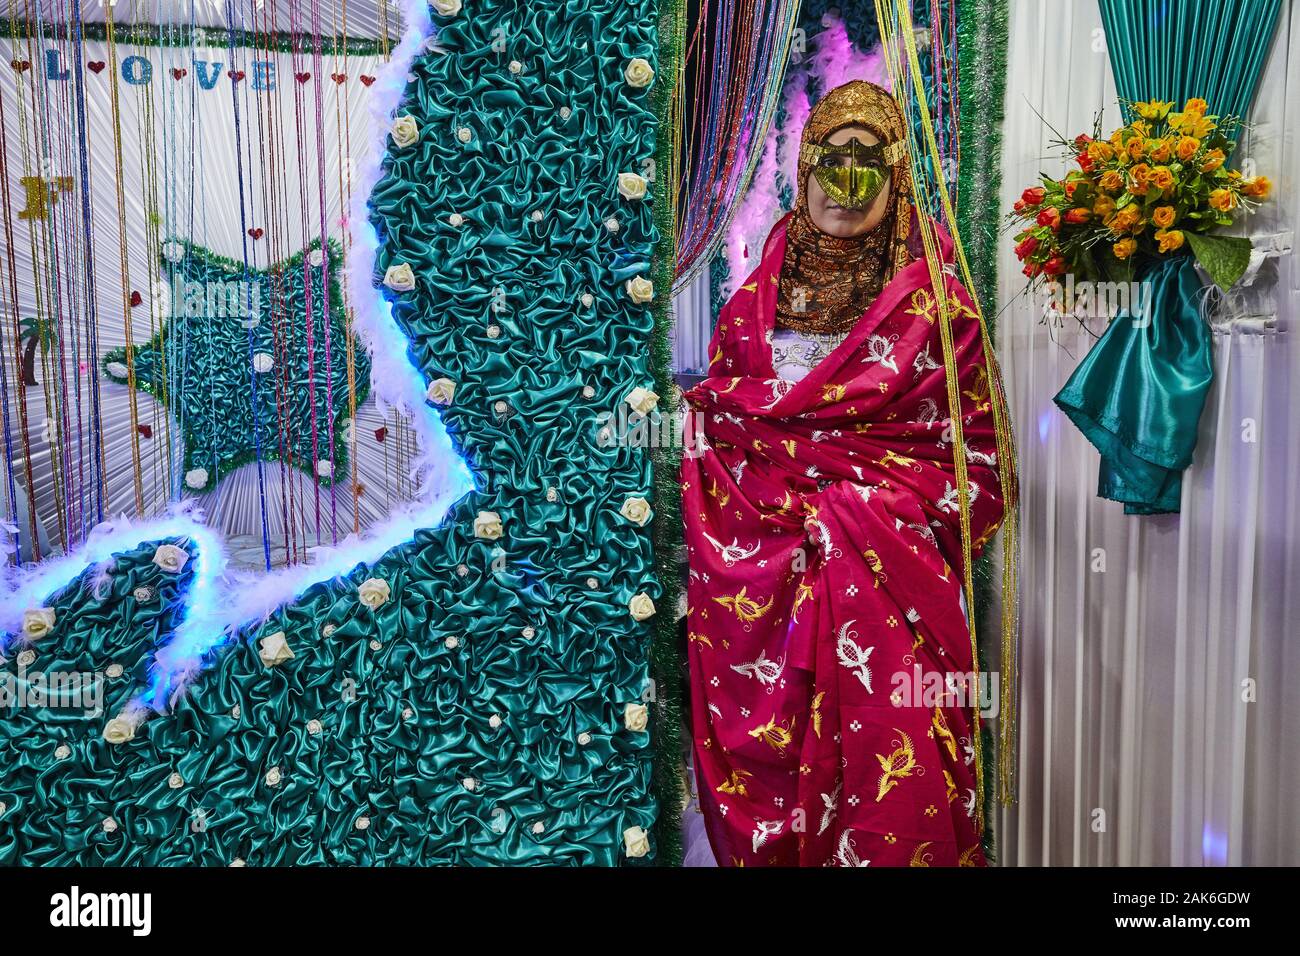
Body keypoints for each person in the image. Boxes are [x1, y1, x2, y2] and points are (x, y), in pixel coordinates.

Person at [681, 80, 1008, 866]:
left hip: (879, 564)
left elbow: (973, 462)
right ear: (805, 167)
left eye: (869, 160)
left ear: (898, 172)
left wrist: (862, 511)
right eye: (832, 159)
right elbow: (727, 420)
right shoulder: (754, 298)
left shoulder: (940, 306)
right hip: (758, 566)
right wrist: (774, 499)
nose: (846, 181)